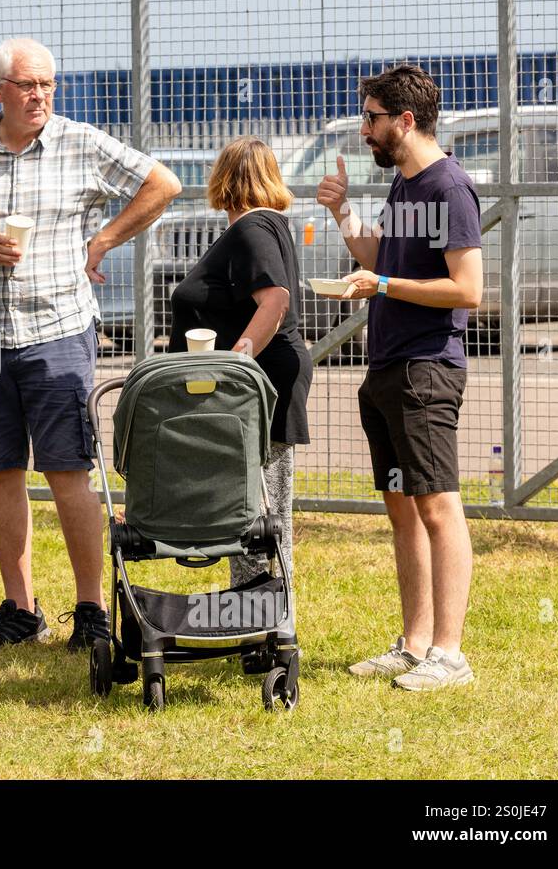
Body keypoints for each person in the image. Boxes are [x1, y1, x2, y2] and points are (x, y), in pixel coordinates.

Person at [0, 37, 182, 652]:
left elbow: (162, 184)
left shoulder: (79, 143)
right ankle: (21, 609)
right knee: (0, 470)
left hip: (58, 331)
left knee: (69, 469)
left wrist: (104, 241)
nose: (39, 94)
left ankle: (90, 607)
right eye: (26, 85)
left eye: (46, 84)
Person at [316, 63, 482, 691]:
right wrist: (343, 216)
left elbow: (467, 290)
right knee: (403, 509)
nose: (365, 131)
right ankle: (414, 646)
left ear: (404, 121)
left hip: (426, 372)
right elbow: (380, 258)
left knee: (437, 506)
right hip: (386, 370)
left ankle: (450, 653)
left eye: (372, 118)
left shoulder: (448, 188)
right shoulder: (404, 187)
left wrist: (382, 285)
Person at [167, 137, 311, 600]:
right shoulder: (263, 227)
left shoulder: (252, 229)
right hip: (257, 386)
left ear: (224, 178)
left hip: (257, 389)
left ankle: (265, 621)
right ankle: (257, 615)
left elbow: (275, 300)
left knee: (260, 509)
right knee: (258, 505)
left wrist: (236, 363)